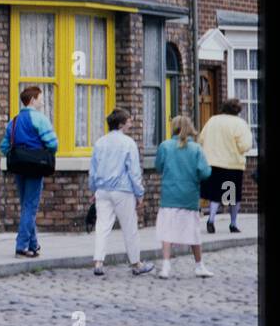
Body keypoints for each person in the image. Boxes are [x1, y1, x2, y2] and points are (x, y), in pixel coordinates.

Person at [88, 107, 155, 276]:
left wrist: (93, 190)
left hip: (102, 190)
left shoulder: (100, 142)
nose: (131, 124)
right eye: (129, 121)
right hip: (122, 190)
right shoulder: (128, 143)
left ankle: (98, 262)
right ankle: (136, 263)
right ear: (120, 124)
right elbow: (134, 171)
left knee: (102, 226)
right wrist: (139, 193)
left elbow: (93, 170)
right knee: (129, 227)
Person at [0, 85, 58, 258]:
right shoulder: (40, 119)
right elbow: (53, 143)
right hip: (35, 166)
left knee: (26, 204)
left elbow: (4, 146)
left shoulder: (14, 121)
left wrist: (19, 153)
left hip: (19, 166)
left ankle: (33, 244)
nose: (42, 101)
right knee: (30, 206)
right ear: (32, 100)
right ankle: (22, 245)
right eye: (40, 98)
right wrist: (43, 154)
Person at [154, 115, 214, 279]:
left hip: (170, 194)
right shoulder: (196, 149)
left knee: (167, 231)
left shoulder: (165, 146)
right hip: (189, 195)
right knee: (193, 232)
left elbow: (158, 166)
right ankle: (199, 265)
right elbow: (205, 172)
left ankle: (166, 266)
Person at [198, 98, 253, 234]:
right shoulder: (240, 124)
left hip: (212, 163)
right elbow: (245, 145)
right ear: (238, 110)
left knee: (215, 194)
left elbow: (201, 139)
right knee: (231, 196)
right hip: (231, 165)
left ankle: (211, 219)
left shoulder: (212, 121)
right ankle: (233, 224)